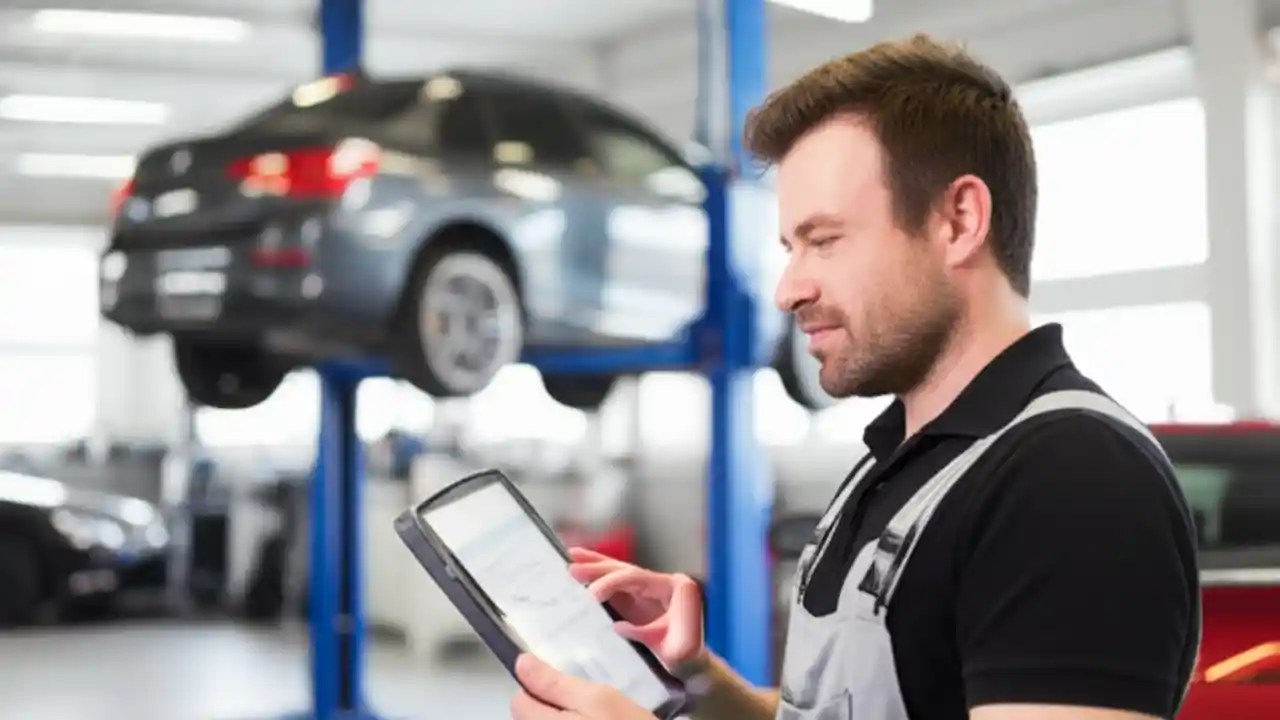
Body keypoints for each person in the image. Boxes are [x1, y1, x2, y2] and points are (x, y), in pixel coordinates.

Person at [509, 33, 1201, 720]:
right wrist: (694, 683)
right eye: (790, 247)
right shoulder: (898, 464)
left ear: (958, 221)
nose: (788, 289)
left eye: (824, 240)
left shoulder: (1071, 478)